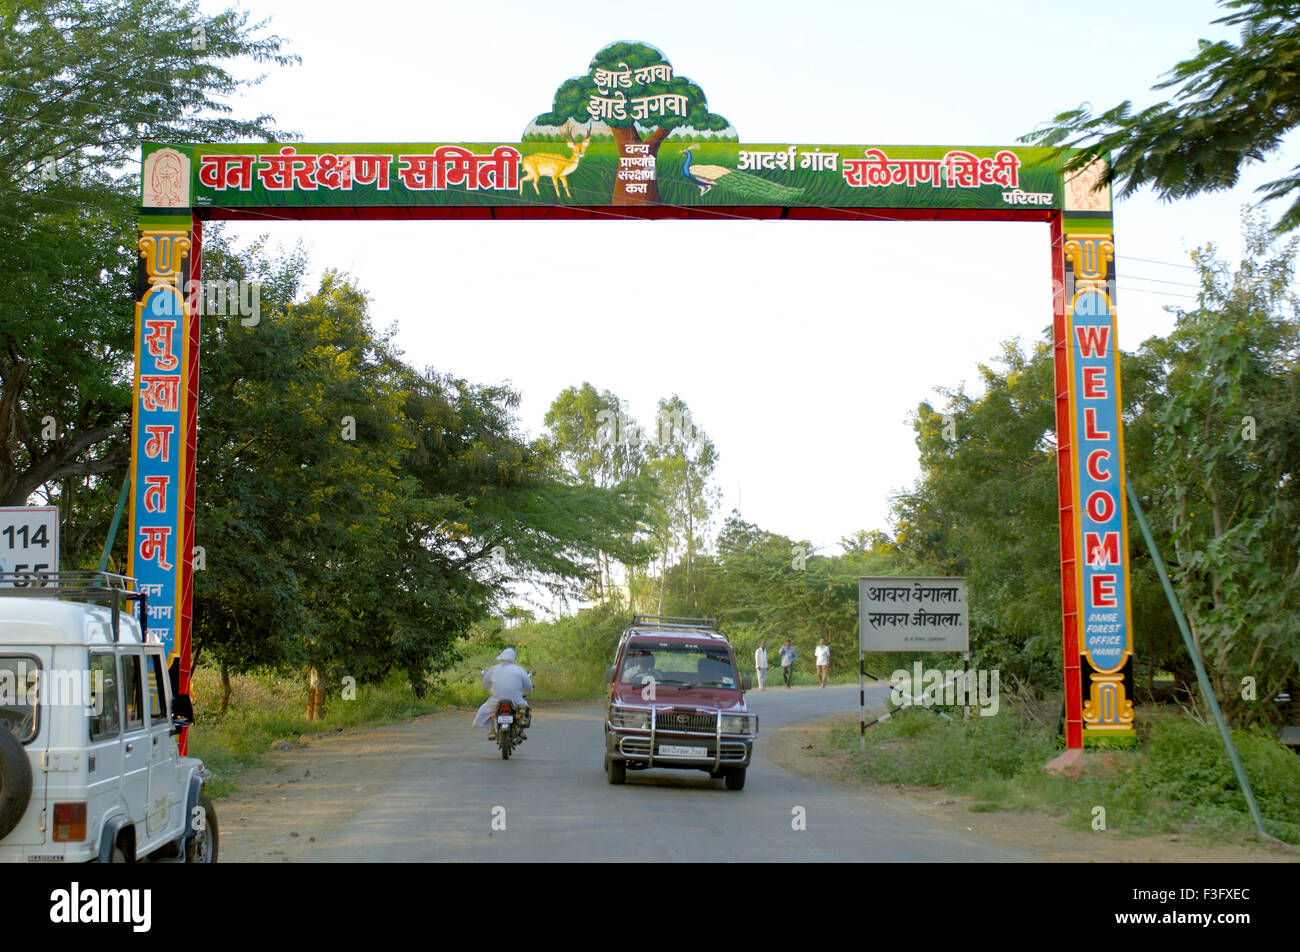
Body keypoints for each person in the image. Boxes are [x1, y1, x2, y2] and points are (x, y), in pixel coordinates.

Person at [472, 648, 534, 740]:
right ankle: (521, 730)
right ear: (513, 658)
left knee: (485, 711)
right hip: (516, 702)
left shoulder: (493, 670)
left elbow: (484, 686)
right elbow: (529, 689)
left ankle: (492, 730)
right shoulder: (519, 670)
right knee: (525, 710)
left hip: (496, 702)